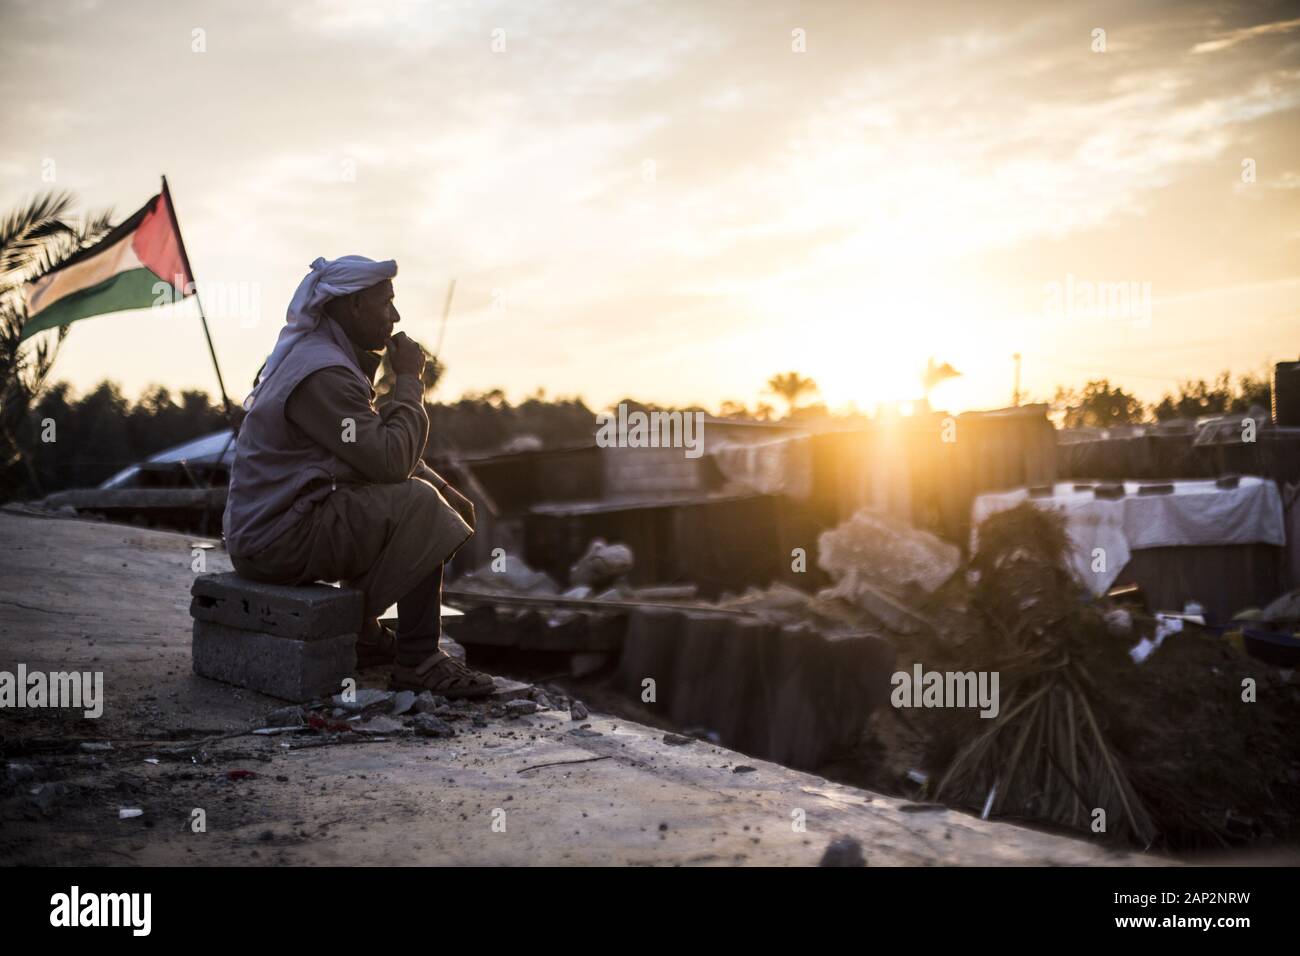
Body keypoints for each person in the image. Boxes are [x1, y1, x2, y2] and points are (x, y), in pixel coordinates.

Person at [222, 255, 494, 698]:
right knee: (419, 506)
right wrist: (408, 380)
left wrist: (444, 488)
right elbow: (388, 463)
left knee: (428, 500)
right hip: (276, 539)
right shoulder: (323, 372)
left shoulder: (322, 360)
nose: (396, 316)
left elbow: (365, 450)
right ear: (351, 308)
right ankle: (419, 659)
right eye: (386, 303)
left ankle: (362, 633)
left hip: (280, 529)